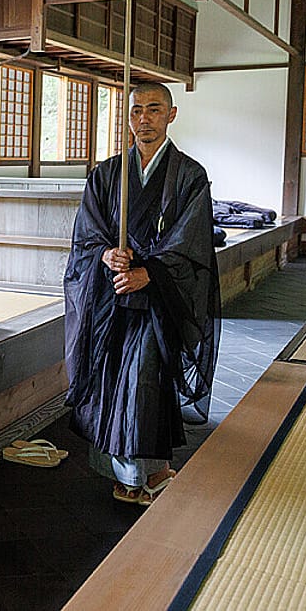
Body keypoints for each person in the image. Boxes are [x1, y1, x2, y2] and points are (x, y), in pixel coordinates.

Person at [62, 82, 220, 505]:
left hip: (157, 297)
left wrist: (149, 272)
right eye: (136, 111)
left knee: (146, 377)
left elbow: (192, 242)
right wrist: (107, 256)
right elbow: (87, 235)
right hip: (112, 297)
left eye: (153, 110)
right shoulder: (107, 174)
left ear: (171, 115)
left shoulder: (190, 175)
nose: (143, 119)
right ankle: (144, 472)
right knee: (115, 379)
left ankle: (142, 474)